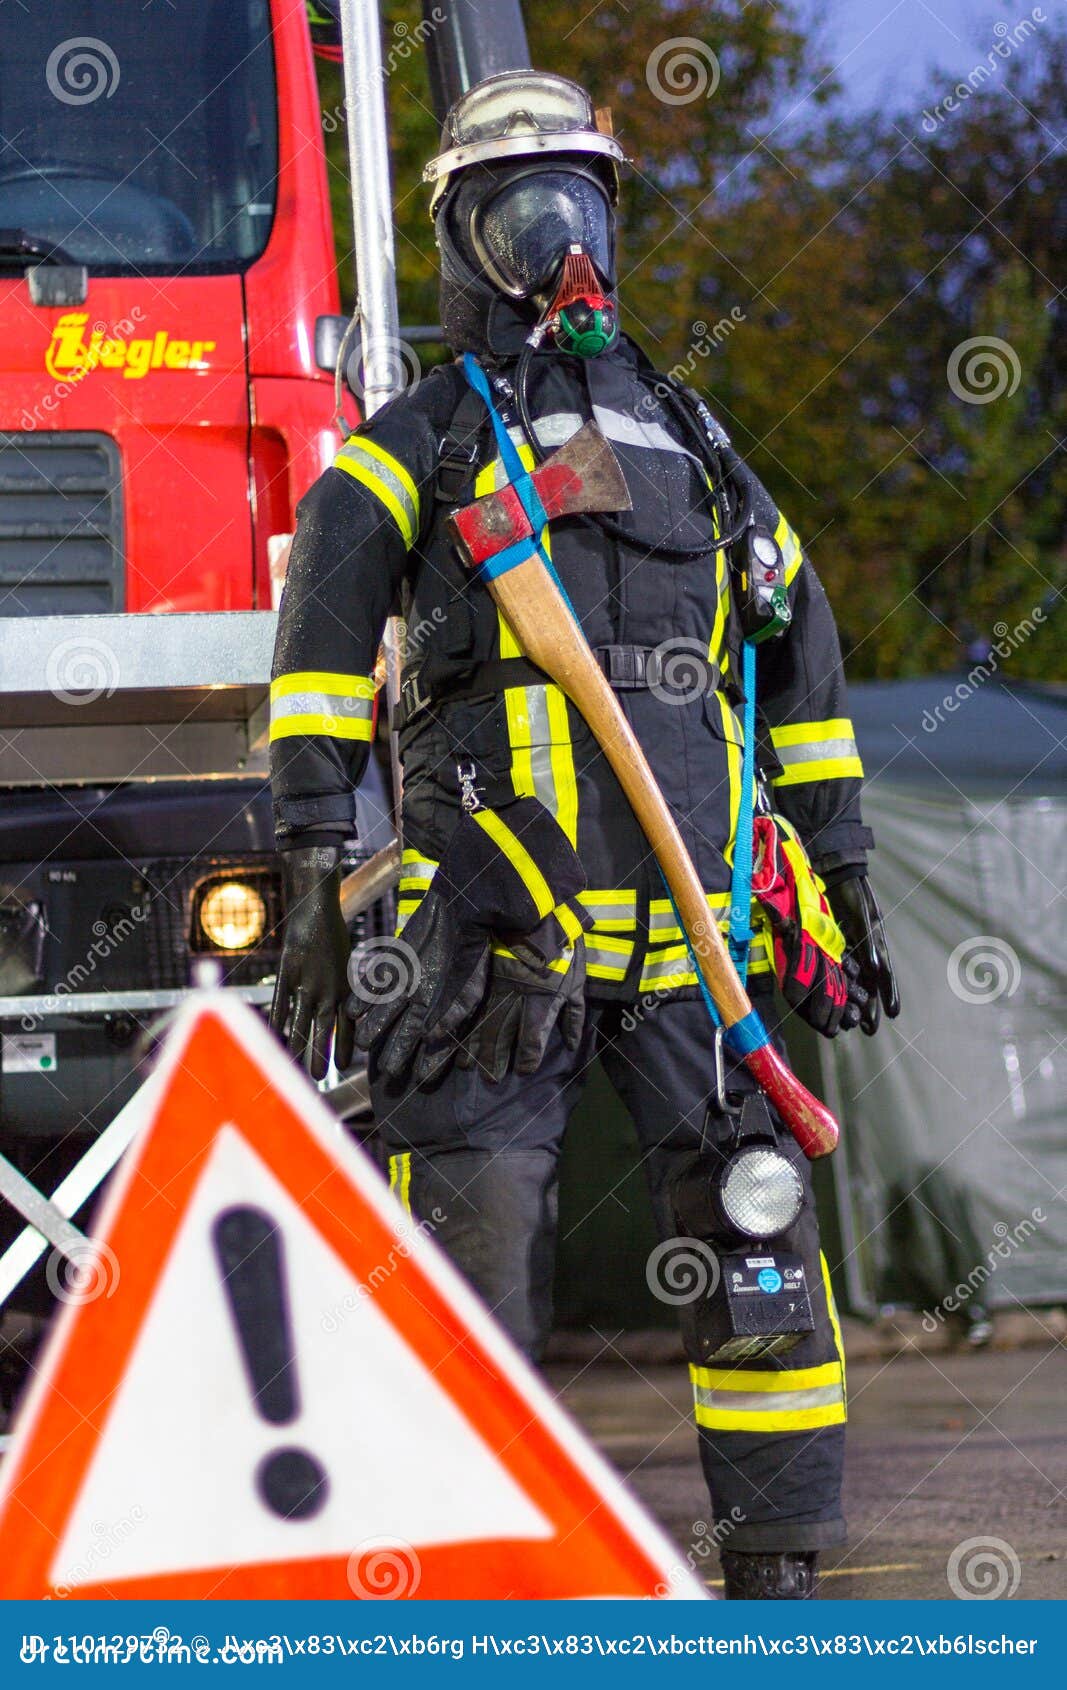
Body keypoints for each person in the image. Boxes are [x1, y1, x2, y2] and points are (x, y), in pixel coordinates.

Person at [269, 71, 899, 1600]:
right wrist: (307, 863)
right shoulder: (406, 444)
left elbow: (796, 662)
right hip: (495, 943)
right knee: (469, 1264)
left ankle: (779, 1567)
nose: (559, 241)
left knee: (758, 1247)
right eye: (519, 209)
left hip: (703, 952)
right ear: (460, 241)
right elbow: (316, 658)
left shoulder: (699, 446)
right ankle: (460, 1582)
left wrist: (846, 860)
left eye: (580, 202)